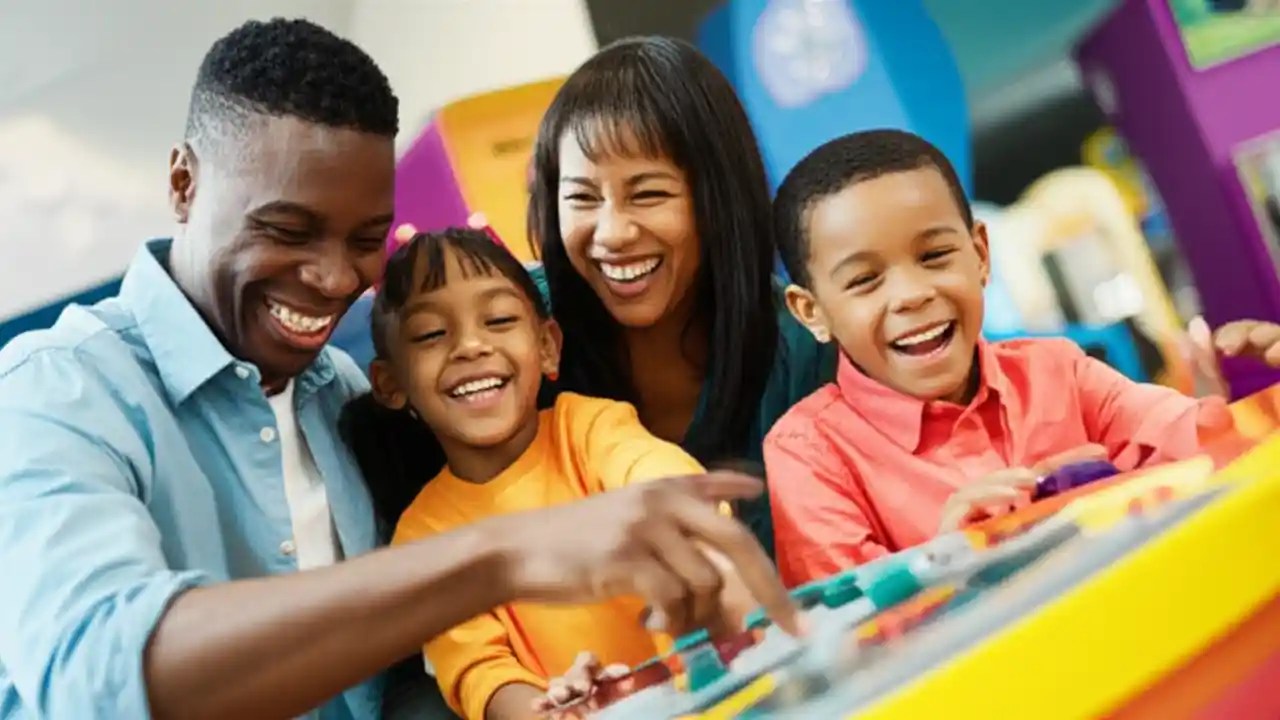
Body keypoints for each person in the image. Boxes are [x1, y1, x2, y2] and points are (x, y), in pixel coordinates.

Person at [0, 19, 799, 720]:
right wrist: (507, 553)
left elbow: (416, 664)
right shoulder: (57, 391)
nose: (333, 278)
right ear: (183, 182)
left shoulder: (345, 397)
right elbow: (97, 678)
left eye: (363, 241)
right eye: (286, 228)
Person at [762, 128, 1280, 587]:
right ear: (811, 312)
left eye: (934, 256)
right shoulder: (807, 454)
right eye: (864, 280)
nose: (911, 295)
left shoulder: (1059, 369)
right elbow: (854, 644)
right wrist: (949, 560)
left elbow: (1203, 441)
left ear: (981, 255)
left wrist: (1259, 402)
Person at [342, 228, 757, 720]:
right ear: (390, 385)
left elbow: (656, 477)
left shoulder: (588, 428)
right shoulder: (423, 537)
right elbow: (481, 673)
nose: (471, 346)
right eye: (432, 334)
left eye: (498, 320)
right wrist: (551, 712)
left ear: (547, 346)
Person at [526, 37, 836, 556]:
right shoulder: (513, 332)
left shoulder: (802, 344)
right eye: (581, 197)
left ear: (718, 198)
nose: (613, 233)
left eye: (648, 194)